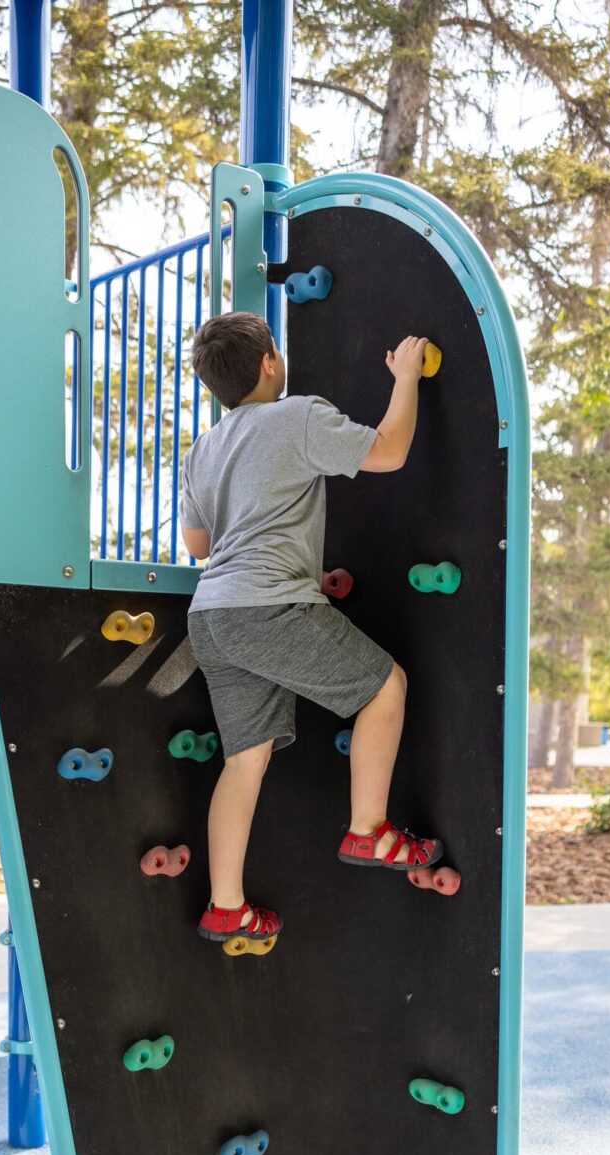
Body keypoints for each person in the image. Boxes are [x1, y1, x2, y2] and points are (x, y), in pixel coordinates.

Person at [179, 311, 443, 947]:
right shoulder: (295, 415)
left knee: (244, 761)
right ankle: (368, 828)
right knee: (386, 688)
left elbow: (197, 544)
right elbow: (388, 451)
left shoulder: (204, 447)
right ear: (270, 361)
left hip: (211, 615)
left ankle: (227, 906)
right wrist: (405, 377)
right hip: (265, 606)